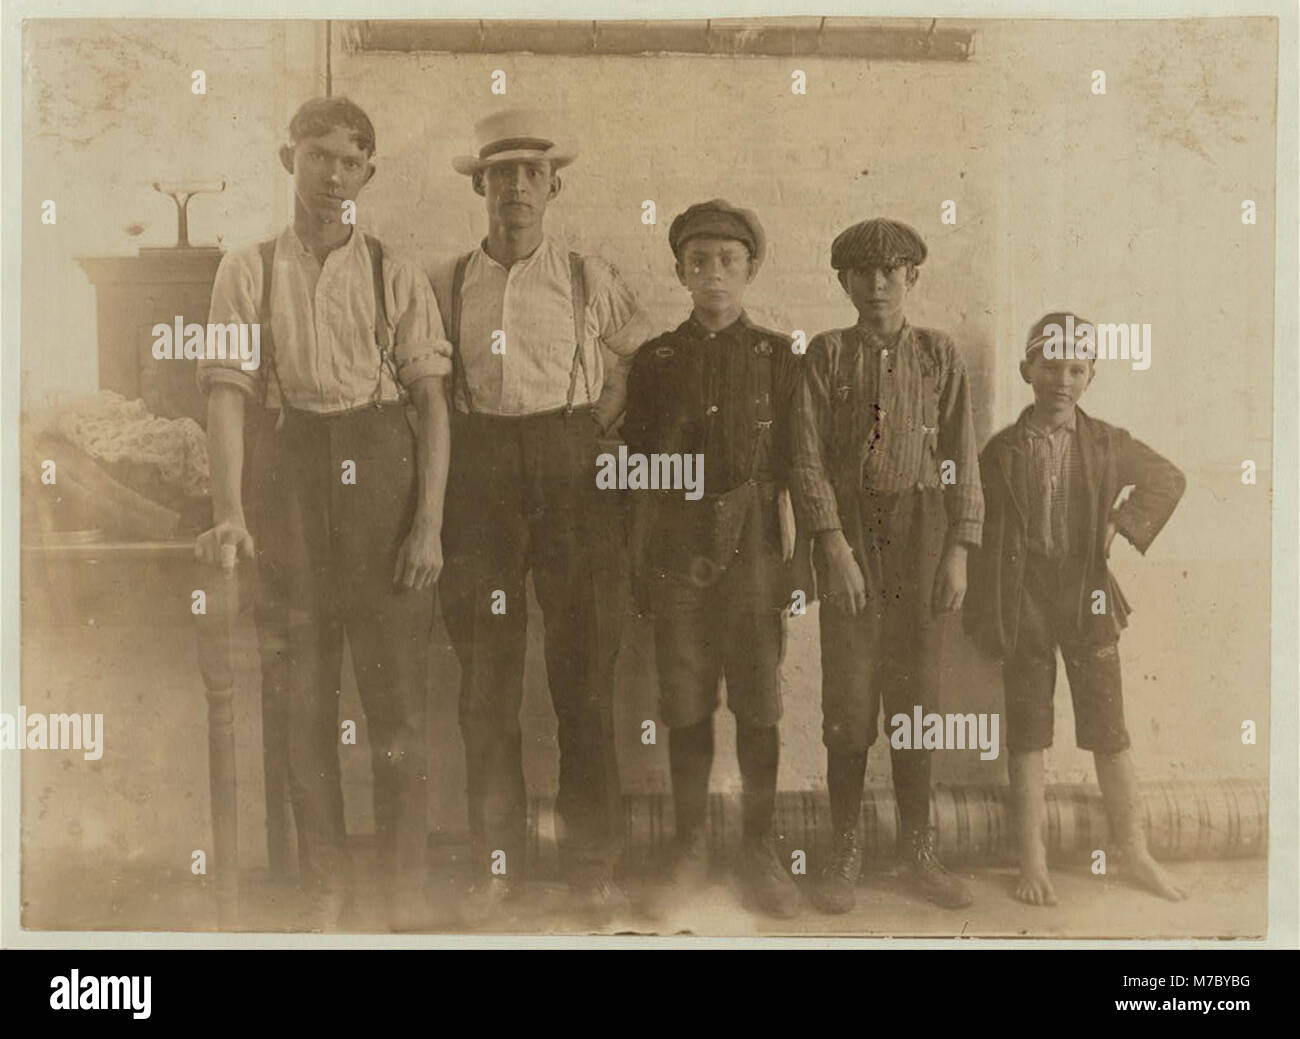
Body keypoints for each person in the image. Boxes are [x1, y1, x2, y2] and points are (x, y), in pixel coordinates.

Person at [195, 97, 453, 932]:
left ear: (368, 173)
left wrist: (429, 526)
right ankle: (325, 882)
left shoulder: (393, 270)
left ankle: (405, 883)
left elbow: (432, 407)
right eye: (318, 156)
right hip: (292, 479)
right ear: (289, 159)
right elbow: (227, 399)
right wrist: (231, 510)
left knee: (398, 701)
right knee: (300, 694)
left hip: (384, 480)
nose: (332, 174)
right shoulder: (248, 268)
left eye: (350, 160)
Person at [432, 108, 653, 919]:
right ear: (481, 188)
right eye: (501, 175)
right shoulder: (447, 280)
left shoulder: (589, 274)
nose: (516, 188)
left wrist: (600, 423)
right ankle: (499, 862)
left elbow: (639, 354)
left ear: (553, 187)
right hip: (480, 474)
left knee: (585, 678)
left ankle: (592, 863)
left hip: (574, 476)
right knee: (486, 684)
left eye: (531, 174)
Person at [790, 217, 984, 914]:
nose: (877, 284)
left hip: (924, 532)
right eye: (862, 273)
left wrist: (959, 546)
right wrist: (832, 545)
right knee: (848, 701)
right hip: (851, 537)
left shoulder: (938, 353)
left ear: (913, 278)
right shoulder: (827, 355)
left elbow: (961, 449)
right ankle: (843, 850)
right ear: (843, 281)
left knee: (918, 696)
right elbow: (806, 457)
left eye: (892, 271)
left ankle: (918, 851)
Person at [965, 312, 1187, 906]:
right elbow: (983, 537)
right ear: (1026, 370)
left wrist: (1121, 521)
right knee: (1028, 732)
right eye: (1049, 367)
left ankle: (1135, 851)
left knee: (1108, 731)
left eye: (1075, 369)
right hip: (1025, 603)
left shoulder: (1107, 442)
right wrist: (989, 615)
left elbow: (1168, 478)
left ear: (1090, 376)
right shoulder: (1001, 450)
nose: (1061, 380)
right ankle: (1031, 858)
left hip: (1088, 600)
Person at [623, 200, 805, 918]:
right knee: (686, 698)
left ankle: (758, 846)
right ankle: (690, 842)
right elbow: (639, 468)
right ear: (679, 271)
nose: (714, 273)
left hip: (757, 545)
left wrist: (796, 567)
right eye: (699, 260)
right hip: (677, 549)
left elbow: (799, 467)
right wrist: (642, 559)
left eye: (728, 260)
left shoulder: (779, 357)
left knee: (759, 700)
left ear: (751, 268)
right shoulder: (658, 359)